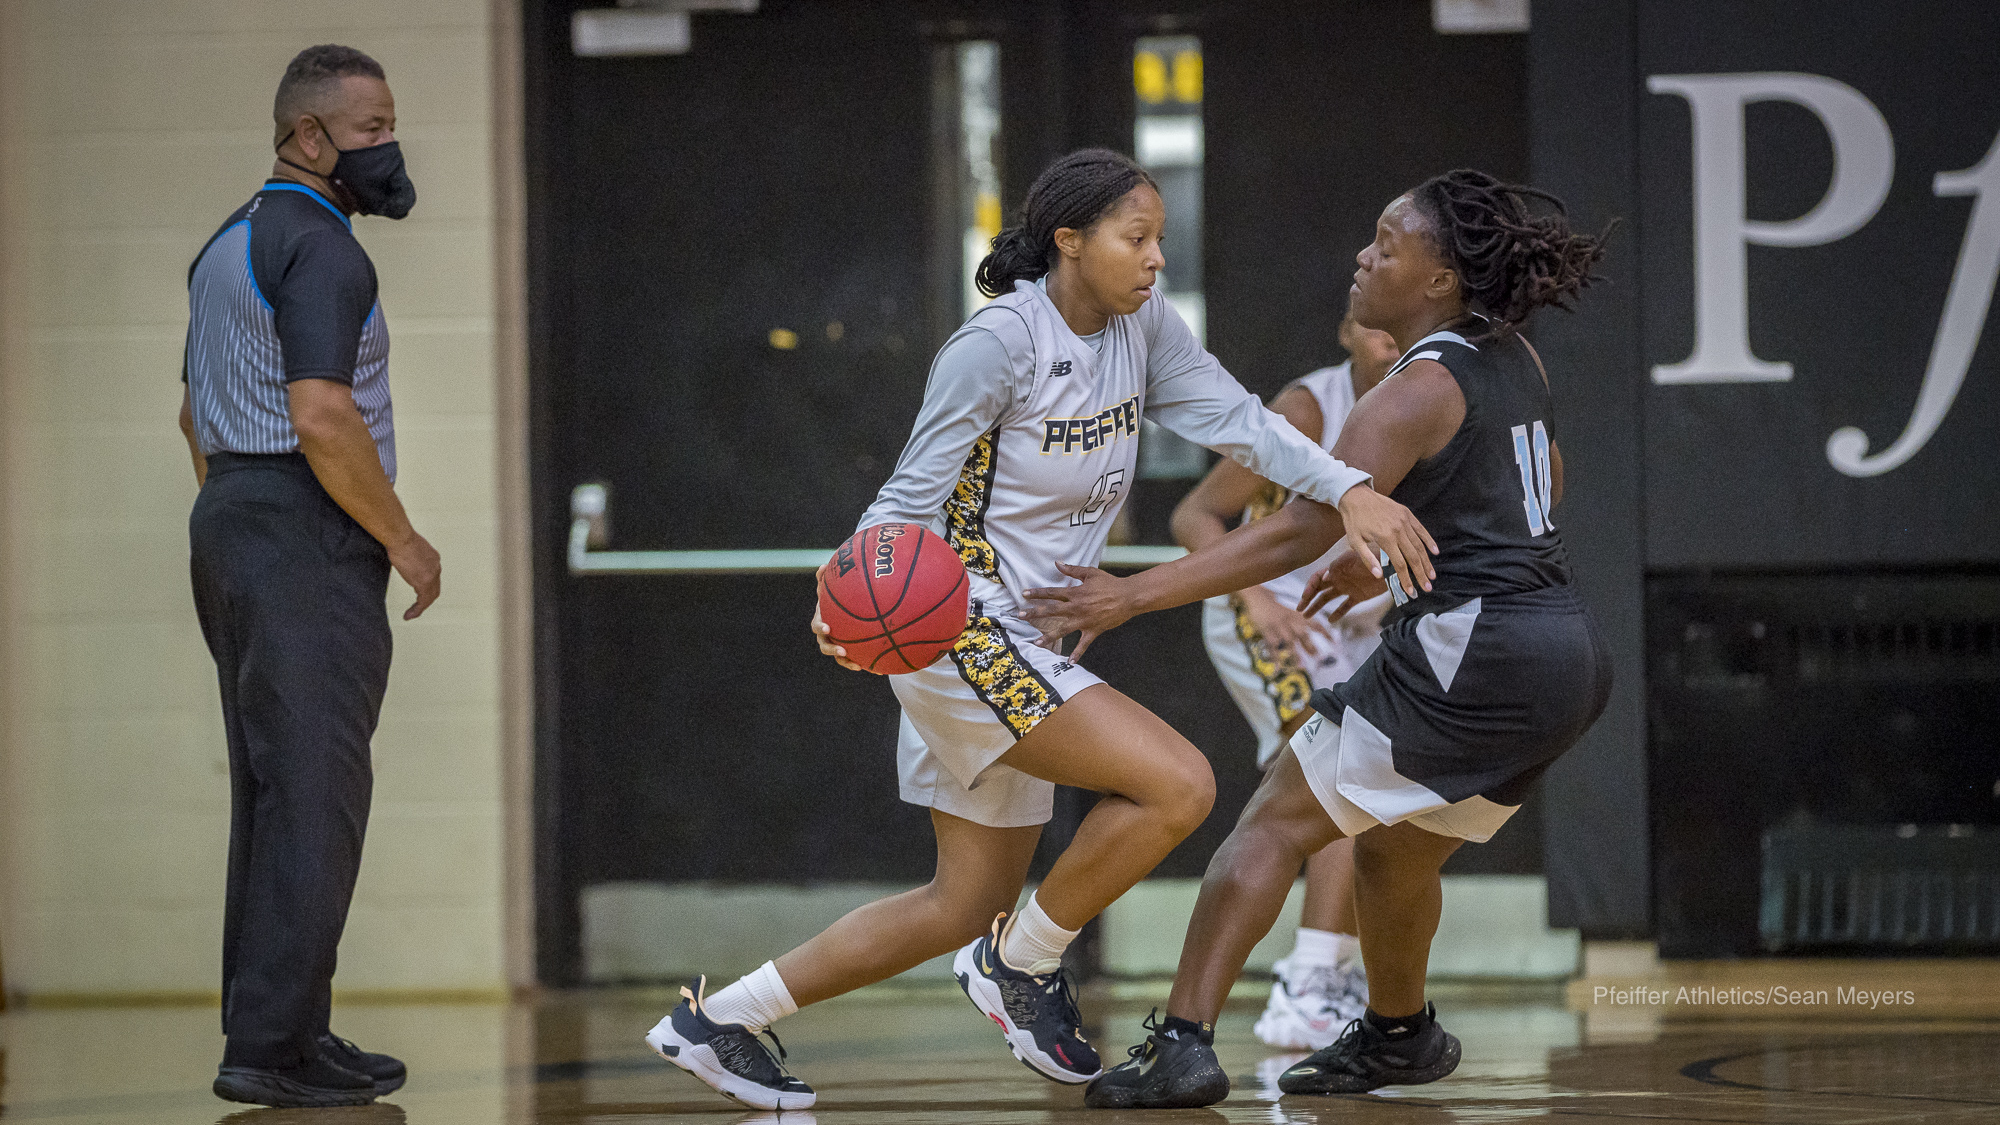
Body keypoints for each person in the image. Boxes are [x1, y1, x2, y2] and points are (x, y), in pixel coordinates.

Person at [641, 148, 1436, 1113]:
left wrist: (1349, 487)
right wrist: (841, 593)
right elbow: (906, 496)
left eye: (1160, 241)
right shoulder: (999, 345)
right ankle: (1020, 962)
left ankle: (720, 1019)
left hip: (1033, 637)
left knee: (961, 899)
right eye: (1134, 239)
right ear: (1068, 239)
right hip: (961, 630)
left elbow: (1242, 425)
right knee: (1179, 782)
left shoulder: (1146, 327)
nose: (1154, 260)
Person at [1019, 169, 1614, 1110]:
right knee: (1396, 851)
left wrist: (1132, 597)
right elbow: (1537, 479)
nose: (1363, 256)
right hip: (1566, 654)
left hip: (1478, 649)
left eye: (1386, 242)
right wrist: (1391, 553)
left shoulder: (1415, 386)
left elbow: (1300, 529)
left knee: (1275, 820)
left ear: (1440, 282)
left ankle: (1182, 1044)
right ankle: (1398, 1031)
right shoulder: (1513, 357)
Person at [179, 44, 438, 1109]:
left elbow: (195, 414)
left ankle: (283, 1029)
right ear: (307, 137)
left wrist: (240, 518)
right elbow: (322, 412)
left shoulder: (227, 241)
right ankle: (272, 1047)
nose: (387, 146)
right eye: (368, 130)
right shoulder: (325, 251)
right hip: (302, 527)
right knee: (317, 794)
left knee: (275, 789)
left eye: (389, 124)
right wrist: (401, 538)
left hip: (232, 518)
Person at [1170, 309, 1402, 1050]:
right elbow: (1196, 513)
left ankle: (1330, 968)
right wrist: (1256, 597)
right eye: (1376, 330)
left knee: (1374, 796)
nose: (1391, 344)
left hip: (1360, 617)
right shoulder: (1310, 407)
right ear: (1343, 333)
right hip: (1276, 612)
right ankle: (1307, 983)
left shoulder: (1430, 398)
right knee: (1337, 781)